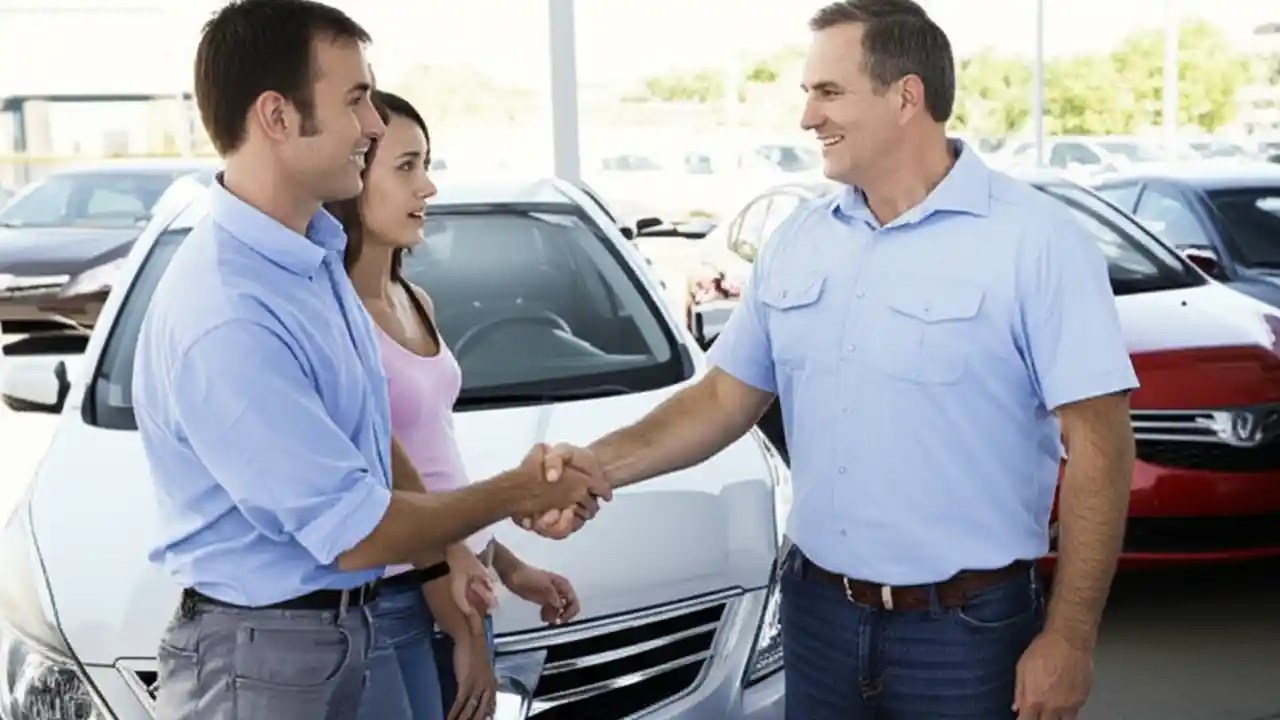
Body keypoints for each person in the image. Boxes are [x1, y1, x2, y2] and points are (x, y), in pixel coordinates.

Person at [530, 1, 1137, 718]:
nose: (807, 118)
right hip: (817, 618)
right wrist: (597, 467)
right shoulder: (800, 237)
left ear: (906, 95)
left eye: (828, 92)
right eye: (807, 94)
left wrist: (1069, 637)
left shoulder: (1036, 241)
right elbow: (724, 399)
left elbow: (1100, 448)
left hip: (966, 633)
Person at [131, 2, 609, 719]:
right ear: (277, 116)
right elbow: (356, 529)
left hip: (328, 633)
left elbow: (370, 441)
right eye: (355, 100)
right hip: (264, 660)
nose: (374, 125)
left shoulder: (309, 255)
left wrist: (473, 553)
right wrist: (516, 492)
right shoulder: (229, 309)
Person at [327, 89, 583, 720]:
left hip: (460, 585)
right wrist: (465, 627)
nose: (429, 187)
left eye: (426, 164)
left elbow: (437, 467)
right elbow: (389, 479)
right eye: (406, 166)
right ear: (352, 174)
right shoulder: (330, 316)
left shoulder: (415, 300)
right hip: (393, 601)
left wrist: (509, 565)